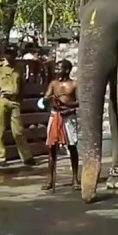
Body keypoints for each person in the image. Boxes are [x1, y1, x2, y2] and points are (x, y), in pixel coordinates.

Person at [0, 46, 34, 168]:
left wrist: (20, 98)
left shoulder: (19, 67)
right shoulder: (0, 66)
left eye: (12, 53)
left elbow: (21, 83)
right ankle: (1, 158)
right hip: (2, 99)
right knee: (0, 130)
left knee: (18, 131)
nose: (9, 56)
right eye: (7, 53)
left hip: (14, 100)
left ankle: (26, 156)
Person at [42, 60, 80, 192]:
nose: (57, 70)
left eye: (60, 68)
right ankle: (50, 179)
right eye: (56, 68)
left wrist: (67, 105)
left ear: (67, 70)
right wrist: (49, 98)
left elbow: (78, 102)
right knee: (52, 147)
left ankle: (75, 178)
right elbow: (45, 98)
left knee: (72, 146)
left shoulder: (74, 84)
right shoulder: (53, 84)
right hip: (55, 116)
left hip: (68, 117)